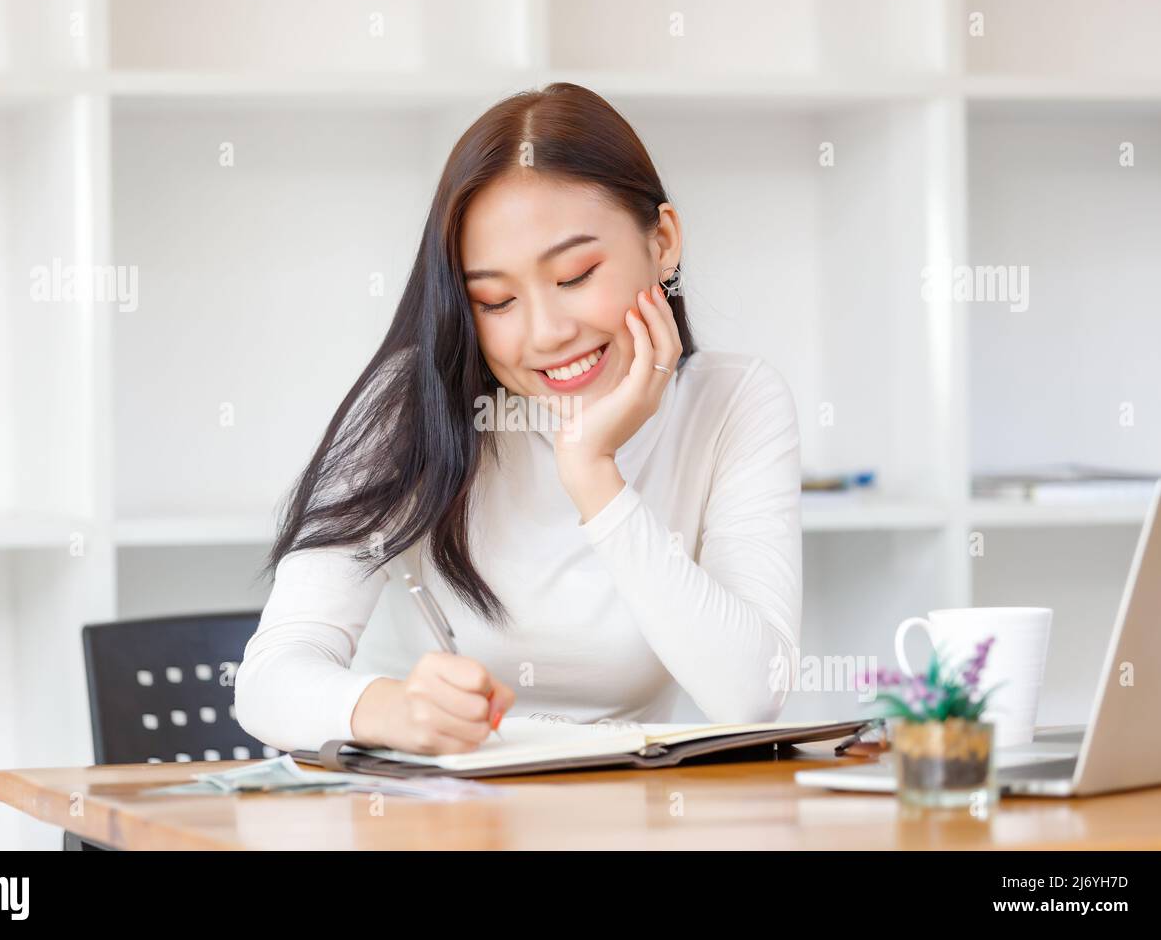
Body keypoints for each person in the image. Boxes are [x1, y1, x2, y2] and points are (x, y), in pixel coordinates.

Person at [234, 82, 802, 756]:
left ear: (664, 241)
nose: (545, 334)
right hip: (432, 817)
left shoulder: (735, 402)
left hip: (624, 818)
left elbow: (751, 694)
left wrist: (593, 473)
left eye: (575, 275)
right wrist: (392, 710)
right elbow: (267, 682)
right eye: (496, 302)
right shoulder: (412, 404)